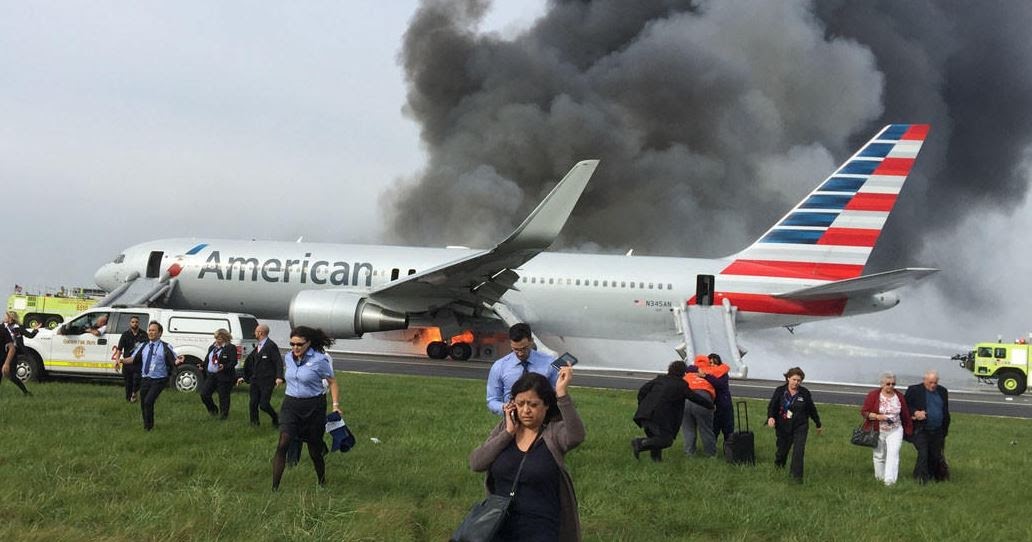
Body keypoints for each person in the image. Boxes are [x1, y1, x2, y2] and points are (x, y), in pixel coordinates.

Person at [470, 367, 584, 542]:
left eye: (533, 404)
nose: (526, 411)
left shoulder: (554, 432)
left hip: (541, 527)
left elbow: (576, 436)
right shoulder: (506, 428)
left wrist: (562, 394)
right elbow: (477, 463)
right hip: (499, 523)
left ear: (546, 405)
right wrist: (507, 433)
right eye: (520, 403)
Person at [273, 326, 341, 490]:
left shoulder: (320, 360)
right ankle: (274, 488)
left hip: (313, 406)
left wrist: (335, 405)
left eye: (299, 344)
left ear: (308, 343)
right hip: (291, 405)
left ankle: (322, 481)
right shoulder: (289, 357)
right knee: (284, 443)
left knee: (314, 450)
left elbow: (332, 382)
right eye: (292, 344)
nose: (295, 348)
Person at [633, 360, 713, 462]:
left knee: (655, 438)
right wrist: (710, 405)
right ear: (683, 372)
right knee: (666, 440)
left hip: (645, 414)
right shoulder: (681, 385)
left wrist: (643, 405)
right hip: (658, 416)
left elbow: (642, 390)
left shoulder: (660, 379)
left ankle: (656, 460)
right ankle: (640, 443)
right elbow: (694, 397)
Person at [486, 323, 558, 415]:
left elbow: (556, 394)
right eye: (515, 349)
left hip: (542, 418)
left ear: (531, 341)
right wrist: (505, 408)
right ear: (510, 343)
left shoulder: (549, 362)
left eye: (524, 348)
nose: (520, 353)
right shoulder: (499, 366)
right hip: (512, 419)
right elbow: (492, 400)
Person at [123, 321, 184, 431]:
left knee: (148, 401)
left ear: (159, 333)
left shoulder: (165, 346)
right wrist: (121, 360)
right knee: (143, 403)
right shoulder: (143, 346)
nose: (150, 332)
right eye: (149, 330)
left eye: (153, 330)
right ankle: (146, 425)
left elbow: (174, 360)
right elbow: (133, 359)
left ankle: (149, 428)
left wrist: (178, 361)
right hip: (145, 378)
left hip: (159, 379)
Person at [766, 367, 823, 482]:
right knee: (782, 451)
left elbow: (811, 409)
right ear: (788, 378)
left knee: (798, 451)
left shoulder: (804, 393)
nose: (796, 382)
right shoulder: (780, 390)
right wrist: (771, 417)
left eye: (799, 380)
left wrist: (818, 424)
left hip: (800, 425)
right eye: (794, 379)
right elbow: (773, 406)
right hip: (783, 425)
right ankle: (779, 466)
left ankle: (796, 478)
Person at [861, 372, 913, 486]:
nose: (890, 386)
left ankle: (889, 481)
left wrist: (909, 427)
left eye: (893, 384)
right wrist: (877, 416)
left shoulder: (899, 396)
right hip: (878, 429)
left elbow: (905, 413)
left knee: (893, 454)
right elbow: (864, 412)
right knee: (879, 455)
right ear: (882, 384)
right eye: (888, 384)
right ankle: (879, 478)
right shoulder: (873, 395)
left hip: (895, 429)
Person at [904, 370, 950, 483]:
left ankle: (932, 476)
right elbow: (905, 406)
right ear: (924, 380)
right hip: (920, 428)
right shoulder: (914, 390)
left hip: (938, 430)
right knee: (923, 452)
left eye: (935, 383)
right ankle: (919, 478)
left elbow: (945, 410)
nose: (933, 385)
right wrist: (915, 413)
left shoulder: (942, 391)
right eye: (930, 382)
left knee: (935, 455)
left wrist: (944, 429)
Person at [238, 323, 284, 427]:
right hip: (255, 379)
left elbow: (278, 362)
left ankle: (275, 417)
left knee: (263, 404)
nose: (254, 333)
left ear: (260, 332)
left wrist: (279, 377)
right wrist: (244, 377)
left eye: (255, 331)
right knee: (253, 403)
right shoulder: (258, 346)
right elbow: (250, 363)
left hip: (267, 380)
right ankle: (254, 424)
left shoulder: (271, 345)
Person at [681, 355, 717, 457]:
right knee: (706, 429)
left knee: (688, 428)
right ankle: (710, 455)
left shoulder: (687, 374)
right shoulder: (710, 372)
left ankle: (689, 453)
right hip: (703, 398)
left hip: (685, 399)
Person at [198, 328, 238, 419]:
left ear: (225, 338)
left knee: (223, 397)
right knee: (204, 394)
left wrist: (224, 366)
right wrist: (202, 365)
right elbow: (208, 359)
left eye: (219, 339)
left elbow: (233, 362)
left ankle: (223, 416)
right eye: (216, 338)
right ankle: (213, 410)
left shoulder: (230, 348)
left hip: (224, 376)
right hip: (212, 375)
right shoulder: (212, 347)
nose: (217, 341)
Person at [1, 311, 35, 396]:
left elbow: (30, 335)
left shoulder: (18, 327)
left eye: (6, 316)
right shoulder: (2, 327)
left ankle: (26, 392)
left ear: (11, 318)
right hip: (3, 352)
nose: (4, 317)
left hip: (13, 352)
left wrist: (35, 330)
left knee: (11, 376)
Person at [115, 315, 147, 402]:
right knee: (128, 382)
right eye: (133, 322)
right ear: (130, 323)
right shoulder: (125, 335)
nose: (135, 324)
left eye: (136, 322)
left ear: (139, 323)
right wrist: (117, 360)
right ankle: (128, 399)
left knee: (137, 380)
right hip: (127, 362)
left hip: (138, 362)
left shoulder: (144, 334)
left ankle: (134, 393)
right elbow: (119, 349)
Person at [705, 353, 733, 445]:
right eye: (710, 363)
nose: (712, 365)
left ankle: (729, 451)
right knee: (713, 430)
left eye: (714, 363)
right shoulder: (704, 372)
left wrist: (706, 376)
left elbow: (719, 384)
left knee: (728, 430)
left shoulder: (723, 374)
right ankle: (711, 451)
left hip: (724, 405)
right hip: (713, 406)